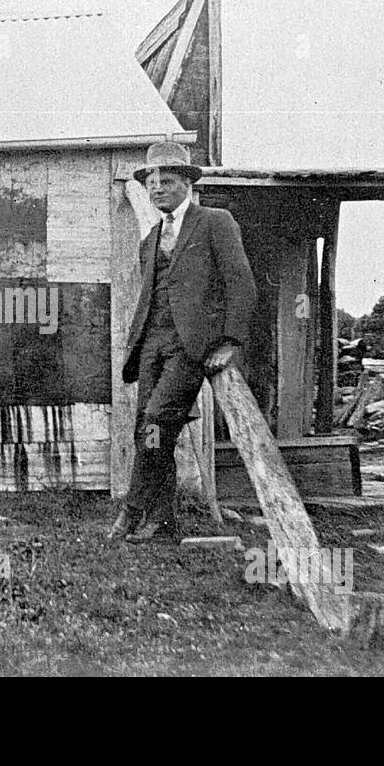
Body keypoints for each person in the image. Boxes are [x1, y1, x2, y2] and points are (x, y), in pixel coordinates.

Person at [108, 142, 257, 544]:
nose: (157, 189)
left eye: (167, 181)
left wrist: (229, 340)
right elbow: (151, 294)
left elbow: (240, 284)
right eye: (152, 182)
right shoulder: (151, 238)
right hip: (151, 346)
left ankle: (132, 510)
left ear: (187, 184)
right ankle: (163, 520)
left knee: (155, 422)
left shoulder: (214, 221)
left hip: (188, 348)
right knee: (151, 432)